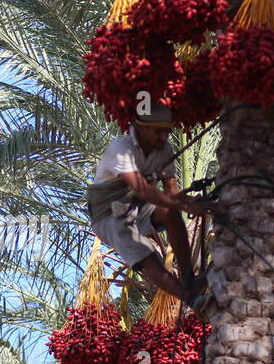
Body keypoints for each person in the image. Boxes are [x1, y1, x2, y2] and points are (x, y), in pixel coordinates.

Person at [86, 111, 211, 309]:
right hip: (109, 215)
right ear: (141, 129)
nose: (164, 137)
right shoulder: (121, 149)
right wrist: (186, 204)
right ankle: (189, 297)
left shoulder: (164, 150)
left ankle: (188, 276)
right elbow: (143, 190)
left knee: (170, 211)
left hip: (138, 208)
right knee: (145, 253)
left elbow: (172, 193)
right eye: (158, 132)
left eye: (167, 133)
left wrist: (200, 204)